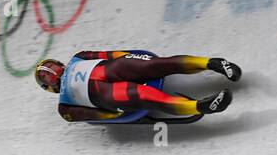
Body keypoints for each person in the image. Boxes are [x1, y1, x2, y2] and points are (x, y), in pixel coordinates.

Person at [34, 50, 241, 123]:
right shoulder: (64, 108)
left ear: (59, 63)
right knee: (145, 94)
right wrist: (114, 115)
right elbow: (91, 115)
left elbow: (108, 55)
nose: (53, 74)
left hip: (116, 68)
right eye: (48, 76)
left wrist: (130, 55)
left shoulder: (78, 57)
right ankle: (202, 106)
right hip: (108, 95)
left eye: (51, 67)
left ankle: (212, 63)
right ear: (48, 86)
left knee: (156, 65)